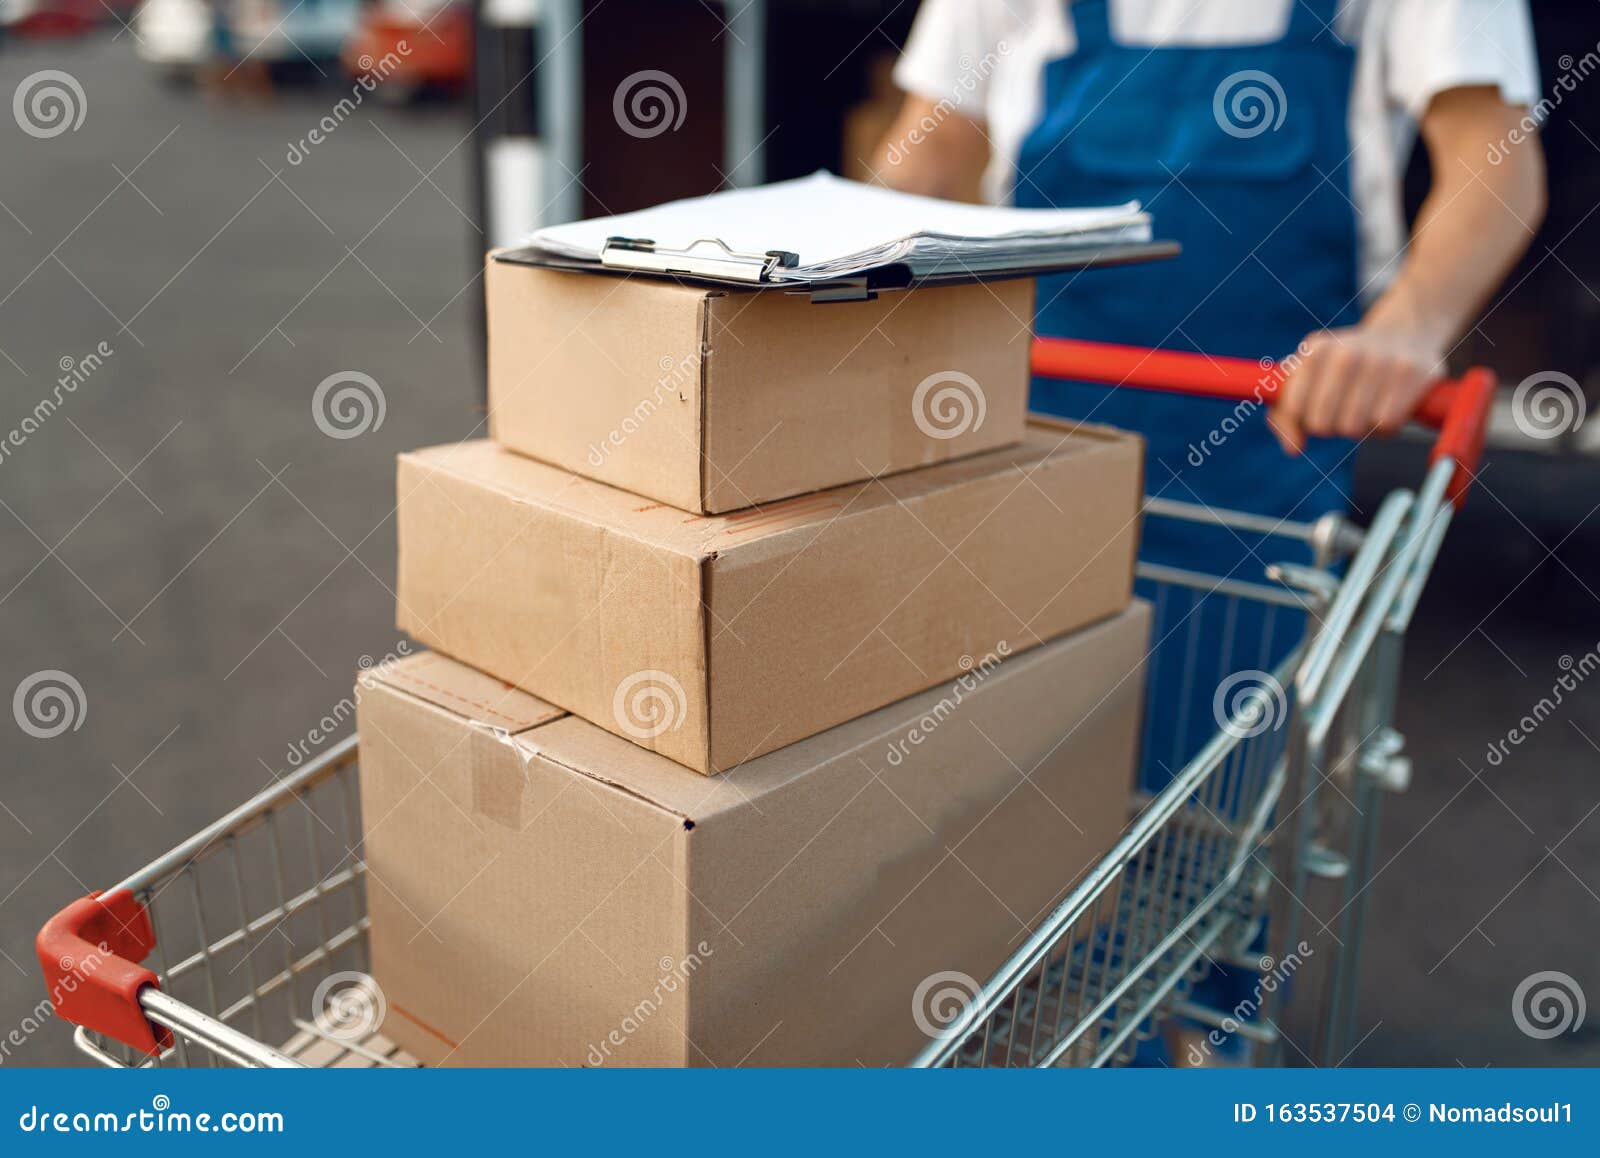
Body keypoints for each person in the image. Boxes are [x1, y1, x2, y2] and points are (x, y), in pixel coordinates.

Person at [874, 0, 1545, 1062]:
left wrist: (1406, 328)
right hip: (1035, 436)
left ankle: (1202, 1033)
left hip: (1251, 451)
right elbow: (937, 134)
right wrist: (846, 264)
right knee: (1004, 791)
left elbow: (1490, 153)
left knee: (1213, 817)